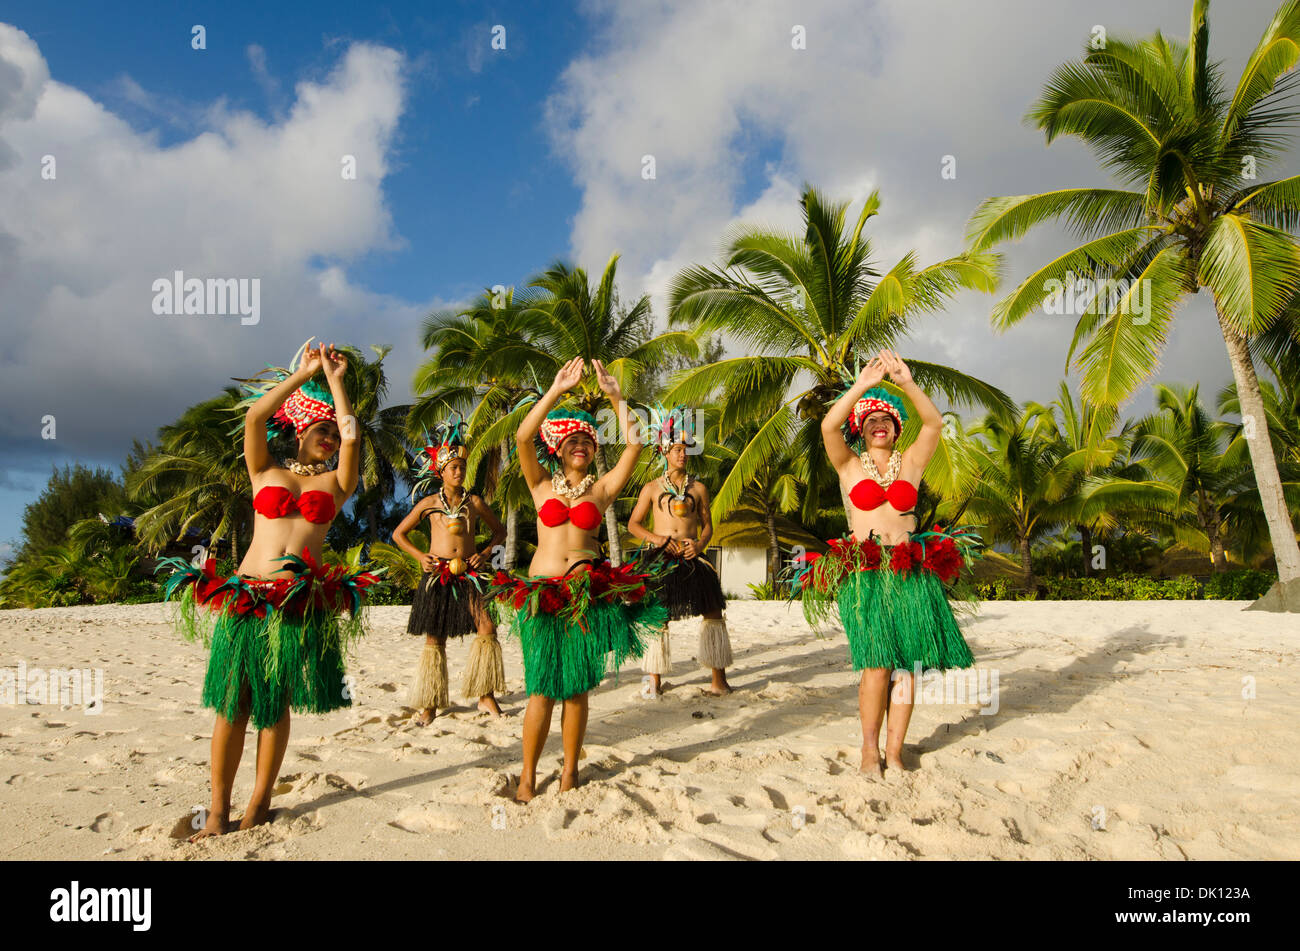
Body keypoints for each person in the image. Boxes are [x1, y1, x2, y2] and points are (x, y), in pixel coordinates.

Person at [158, 340, 380, 839]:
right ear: (300, 431)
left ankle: (258, 803)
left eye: (330, 429)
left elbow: (352, 438)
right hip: (250, 598)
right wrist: (303, 374)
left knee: (274, 705)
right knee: (233, 702)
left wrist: (337, 382)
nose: (328, 437)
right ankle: (217, 811)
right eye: (318, 429)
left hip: (297, 604)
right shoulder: (265, 471)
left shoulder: (335, 484)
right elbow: (255, 418)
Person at [798, 349, 979, 779]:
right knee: (876, 665)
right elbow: (827, 425)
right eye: (871, 421)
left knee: (910, 666)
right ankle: (867, 751)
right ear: (861, 431)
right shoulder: (849, 465)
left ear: (897, 430)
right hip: (866, 576)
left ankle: (895, 752)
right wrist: (862, 386)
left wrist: (906, 382)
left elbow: (934, 423)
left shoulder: (912, 462)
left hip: (910, 573)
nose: (880, 425)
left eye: (887, 421)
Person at [490, 357, 665, 802]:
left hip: (584, 595)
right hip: (542, 593)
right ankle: (528, 776)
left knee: (577, 690)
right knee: (542, 689)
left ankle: (569, 771)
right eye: (572, 439)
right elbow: (522, 436)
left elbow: (635, 445)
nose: (580, 444)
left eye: (587, 438)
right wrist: (554, 390)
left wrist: (614, 395)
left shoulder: (601, 489)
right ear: (560, 447)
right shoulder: (540, 485)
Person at [392, 413, 508, 724]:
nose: (459, 471)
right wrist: (419, 556)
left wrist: (484, 554)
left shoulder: (475, 502)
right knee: (435, 637)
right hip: (437, 575)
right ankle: (430, 703)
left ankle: (485, 696)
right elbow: (398, 534)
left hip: (470, 574)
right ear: (441, 471)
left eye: (462, 467)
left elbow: (500, 532)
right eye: (453, 467)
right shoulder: (428, 503)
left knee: (487, 627)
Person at [628, 404, 732, 696]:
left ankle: (718, 680)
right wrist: (658, 539)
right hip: (660, 556)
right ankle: (654, 682)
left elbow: (707, 526)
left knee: (713, 611)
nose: (683, 453)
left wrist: (699, 544)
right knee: (658, 616)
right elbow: (633, 525)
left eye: (686, 448)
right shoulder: (650, 487)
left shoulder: (698, 488)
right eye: (676, 449)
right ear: (664, 452)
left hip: (691, 555)